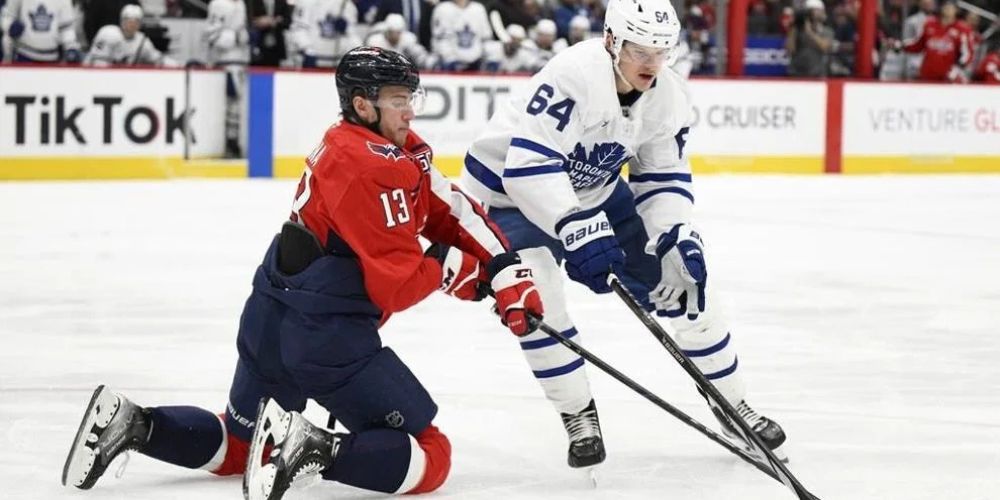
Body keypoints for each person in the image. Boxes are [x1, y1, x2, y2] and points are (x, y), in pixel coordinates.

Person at [62, 47, 545, 500]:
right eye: (400, 101)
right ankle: (314, 449)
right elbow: (395, 285)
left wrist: (505, 270)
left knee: (238, 443)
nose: (410, 111)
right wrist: (448, 267)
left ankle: (134, 424)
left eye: (411, 98)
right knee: (432, 457)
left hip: (270, 316)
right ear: (363, 104)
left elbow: (451, 209)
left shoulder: (364, 144)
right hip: (325, 338)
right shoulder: (368, 167)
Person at [458, 0, 788, 471]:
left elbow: (661, 174)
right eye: (639, 50)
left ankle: (732, 403)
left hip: (592, 191)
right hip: (506, 199)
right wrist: (574, 226)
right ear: (612, 41)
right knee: (540, 302)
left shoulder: (669, 94)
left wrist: (675, 233)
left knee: (688, 283)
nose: (652, 63)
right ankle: (578, 414)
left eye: (662, 51)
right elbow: (527, 166)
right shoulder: (573, 76)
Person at [205, 0, 250, 157]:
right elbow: (212, 36)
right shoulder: (218, 4)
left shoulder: (241, 4)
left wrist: (244, 36)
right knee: (227, 105)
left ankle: (234, 142)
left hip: (242, 62)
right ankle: (227, 143)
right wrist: (236, 37)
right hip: (225, 64)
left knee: (237, 106)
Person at [902, 0, 974, 82]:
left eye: (950, 7)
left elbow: (967, 54)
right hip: (927, 74)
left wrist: (957, 69)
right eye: (945, 7)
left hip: (949, 77)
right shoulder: (930, 24)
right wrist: (902, 46)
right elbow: (919, 44)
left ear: (956, 10)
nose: (948, 10)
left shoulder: (963, 29)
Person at [84, 5, 175, 66]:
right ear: (122, 21)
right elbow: (97, 63)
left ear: (140, 24)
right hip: (95, 77)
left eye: (136, 21)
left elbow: (158, 59)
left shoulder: (142, 40)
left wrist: (178, 65)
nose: (132, 25)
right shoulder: (108, 33)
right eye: (129, 20)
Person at [0, 0, 81, 63]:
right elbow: (6, 16)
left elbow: (66, 27)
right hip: (24, 55)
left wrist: (71, 47)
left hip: (52, 58)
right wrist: (10, 26)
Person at [290, 0, 362, 68]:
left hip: (336, 62)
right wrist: (307, 50)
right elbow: (298, 29)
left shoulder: (347, 5)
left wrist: (346, 30)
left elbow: (353, 36)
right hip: (311, 59)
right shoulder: (306, 2)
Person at [430, 0, 492, 71]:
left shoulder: (479, 9)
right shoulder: (442, 9)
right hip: (448, 68)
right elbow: (440, 42)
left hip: (477, 65)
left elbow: (487, 39)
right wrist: (451, 60)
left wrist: (489, 59)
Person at [785, 0, 835, 77]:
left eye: (815, 10)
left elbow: (825, 47)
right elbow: (789, 50)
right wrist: (793, 28)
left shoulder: (827, 30)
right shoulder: (798, 30)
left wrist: (810, 32)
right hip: (796, 73)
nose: (812, 14)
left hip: (816, 73)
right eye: (810, 11)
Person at [367, 12, 434, 69]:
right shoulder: (375, 42)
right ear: (387, 31)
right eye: (392, 32)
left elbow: (422, 58)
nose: (395, 36)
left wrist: (432, 63)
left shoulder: (408, 40)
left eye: (398, 32)